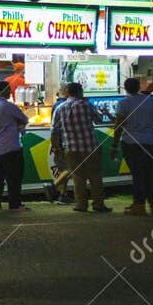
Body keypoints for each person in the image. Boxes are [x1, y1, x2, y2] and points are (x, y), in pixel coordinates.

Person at [51, 82, 108, 213]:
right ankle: (98, 204)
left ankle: (81, 204)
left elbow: (54, 130)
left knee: (78, 178)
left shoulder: (60, 108)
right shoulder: (87, 105)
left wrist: (56, 147)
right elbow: (99, 120)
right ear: (80, 92)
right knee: (95, 177)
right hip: (90, 147)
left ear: (68, 92)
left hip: (70, 148)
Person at [113, 76, 153, 216]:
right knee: (151, 175)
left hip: (131, 143)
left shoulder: (123, 103)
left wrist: (114, 145)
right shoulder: (150, 101)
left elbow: (119, 125)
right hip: (150, 142)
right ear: (138, 87)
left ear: (125, 88)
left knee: (138, 175)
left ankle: (139, 205)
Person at [0, 80, 30, 211]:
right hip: (10, 147)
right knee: (14, 178)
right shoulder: (8, 106)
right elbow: (25, 119)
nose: (11, 92)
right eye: (9, 90)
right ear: (4, 91)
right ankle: (15, 204)